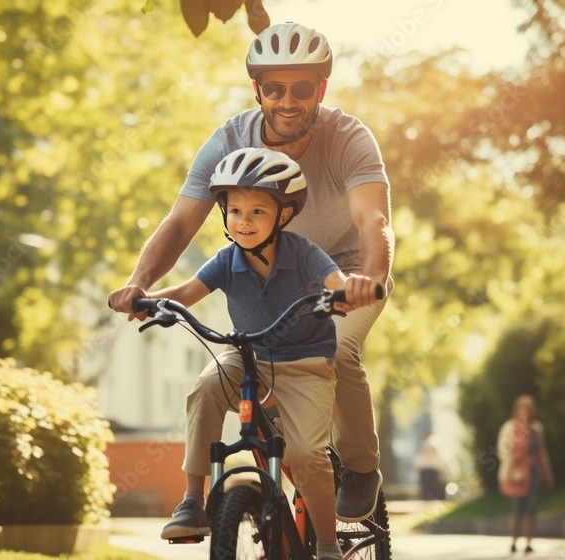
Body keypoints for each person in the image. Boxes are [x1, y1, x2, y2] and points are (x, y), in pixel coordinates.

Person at [108, 21, 395, 536]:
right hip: (268, 282)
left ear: (321, 90)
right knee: (231, 370)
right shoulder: (227, 141)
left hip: (341, 279)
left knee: (338, 351)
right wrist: (139, 284)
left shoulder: (348, 138)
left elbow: (373, 220)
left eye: (302, 88)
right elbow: (180, 222)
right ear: (257, 89)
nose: (289, 100)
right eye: (275, 87)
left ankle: (360, 466)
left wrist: (368, 278)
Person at [123, 146, 379, 560]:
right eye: (235, 210)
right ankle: (192, 499)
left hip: (306, 363)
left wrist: (346, 290)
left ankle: (329, 546)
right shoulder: (227, 260)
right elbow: (187, 292)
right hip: (247, 356)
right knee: (206, 387)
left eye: (258, 212)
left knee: (306, 455)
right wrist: (148, 299)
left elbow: (334, 278)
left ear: (283, 216)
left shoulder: (302, 253)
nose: (243, 221)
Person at [497, 395, 555, 554]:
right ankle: (514, 541)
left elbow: (542, 452)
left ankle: (529, 542)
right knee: (517, 509)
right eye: (522, 409)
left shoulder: (537, 428)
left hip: (534, 472)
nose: (525, 412)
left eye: (528, 409)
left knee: (532, 507)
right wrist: (513, 458)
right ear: (516, 410)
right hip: (516, 474)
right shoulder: (510, 427)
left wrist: (548, 474)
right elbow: (503, 450)